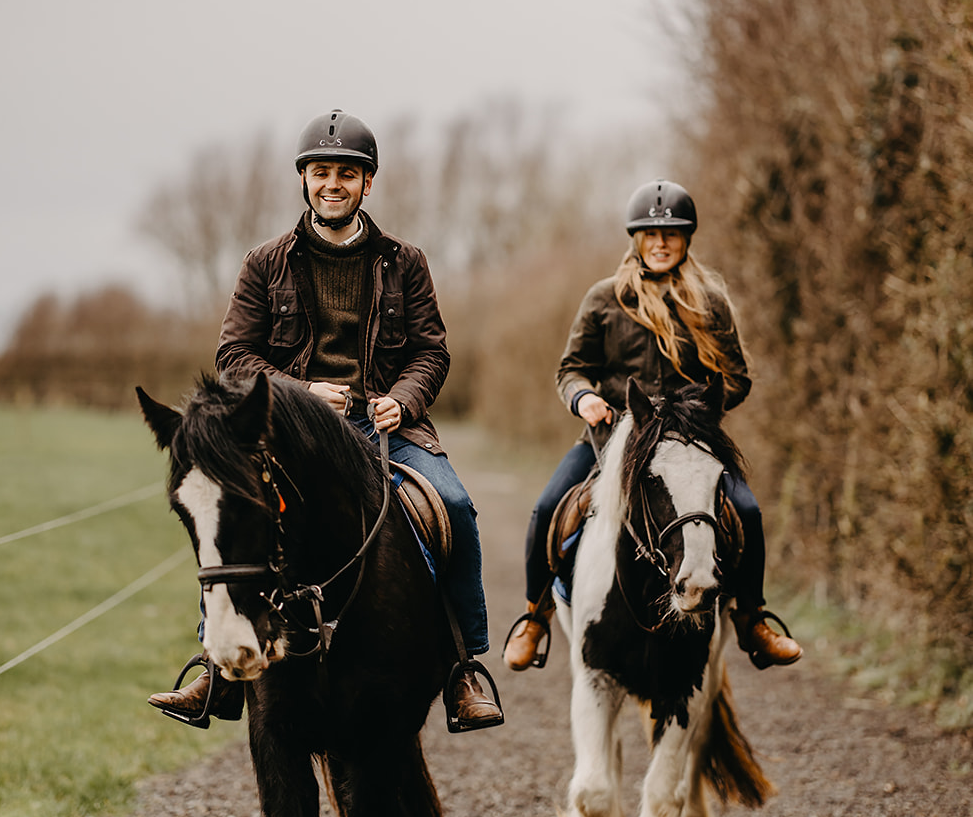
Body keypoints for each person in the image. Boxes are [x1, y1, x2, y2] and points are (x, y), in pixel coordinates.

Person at [150, 108, 504, 731]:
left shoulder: (407, 262)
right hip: (291, 436)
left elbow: (432, 350)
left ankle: (463, 667)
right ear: (304, 179)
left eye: (346, 172)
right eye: (319, 171)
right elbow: (234, 354)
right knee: (231, 512)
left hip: (390, 430)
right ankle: (214, 666)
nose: (331, 183)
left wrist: (407, 397)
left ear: (368, 183)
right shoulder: (265, 262)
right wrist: (303, 393)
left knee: (455, 506)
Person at [504, 177, 802, 673]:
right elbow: (570, 368)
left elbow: (738, 378)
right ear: (636, 240)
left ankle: (753, 619)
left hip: (690, 447)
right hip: (611, 441)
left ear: (686, 240)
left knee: (747, 512)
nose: (660, 244)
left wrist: (700, 412)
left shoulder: (711, 303)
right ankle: (535, 616)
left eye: (671, 235)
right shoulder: (604, 299)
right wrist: (583, 399)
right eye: (650, 235)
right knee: (546, 507)